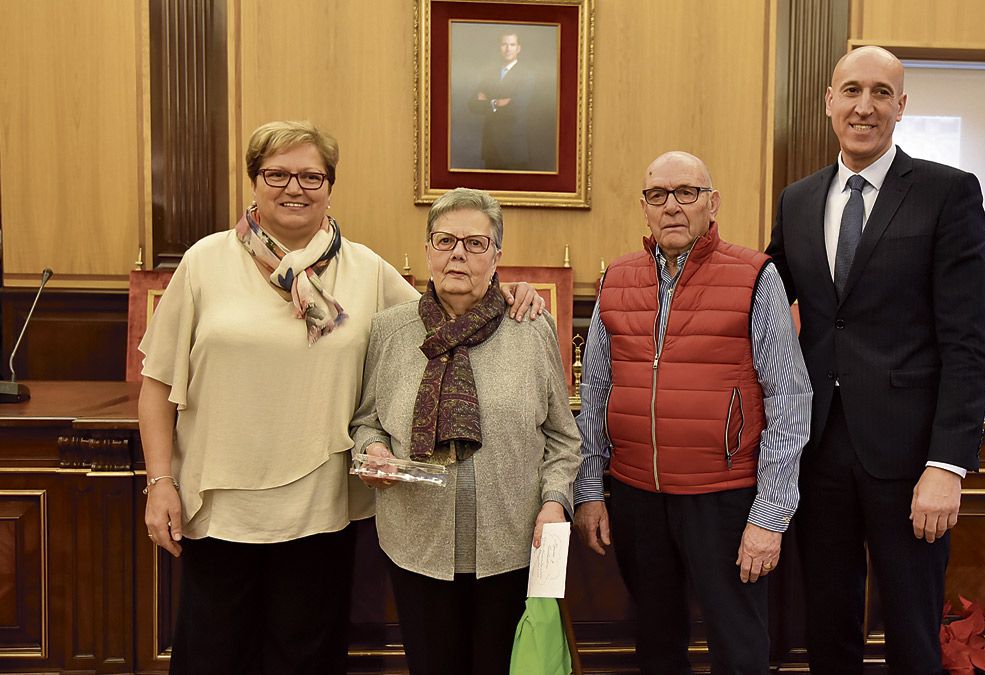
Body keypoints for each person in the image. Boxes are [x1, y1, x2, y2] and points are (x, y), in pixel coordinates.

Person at [138, 121, 543, 674]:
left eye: (311, 176)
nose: (294, 188)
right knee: (213, 656)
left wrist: (508, 290)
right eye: (277, 174)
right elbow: (158, 384)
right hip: (220, 503)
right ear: (254, 181)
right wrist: (159, 481)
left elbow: (444, 311)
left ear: (329, 186)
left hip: (319, 507)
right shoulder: (205, 261)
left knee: (307, 656)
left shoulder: (364, 268)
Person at [765, 46, 985, 674]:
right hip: (819, 449)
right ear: (829, 102)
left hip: (911, 458)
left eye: (880, 93)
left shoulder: (947, 193)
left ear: (901, 105)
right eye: (851, 91)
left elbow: (969, 341)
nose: (864, 107)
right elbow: (759, 295)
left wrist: (947, 464)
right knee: (827, 625)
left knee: (913, 631)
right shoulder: (797, 199)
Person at [573, 151, 813, 674]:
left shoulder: (755, 276)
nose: (672, 206)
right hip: (637, 496)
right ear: (644, 207)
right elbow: (595, 391)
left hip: (723, 497)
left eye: (687, 192)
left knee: (738, 645)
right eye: (658, 195)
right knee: (657, 643)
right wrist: (589, 489)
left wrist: (770, 515)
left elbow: (790, 398)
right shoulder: (617, 278)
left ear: (712, 203)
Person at [350, 187, 581, 675]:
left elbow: (563, 438)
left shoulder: (530, 328)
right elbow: (367, 420)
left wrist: (555, 501)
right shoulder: (391, 331)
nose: (458, 253)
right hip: (416, 544)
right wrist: (373, 450)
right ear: (428, 250)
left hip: (512, 544)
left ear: (497, 257)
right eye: (445, 240)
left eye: (476, 243)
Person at [468, 31, 534, 170]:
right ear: (499, 47)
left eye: (512, 44)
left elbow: (516, 108)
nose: (508, 48)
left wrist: (488, 102)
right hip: (490, 147)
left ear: (518, 48)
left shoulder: (526, 74)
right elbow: (472, 104)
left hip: (513, 148)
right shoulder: (490, 74)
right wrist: (497, 102)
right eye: (504, 44)